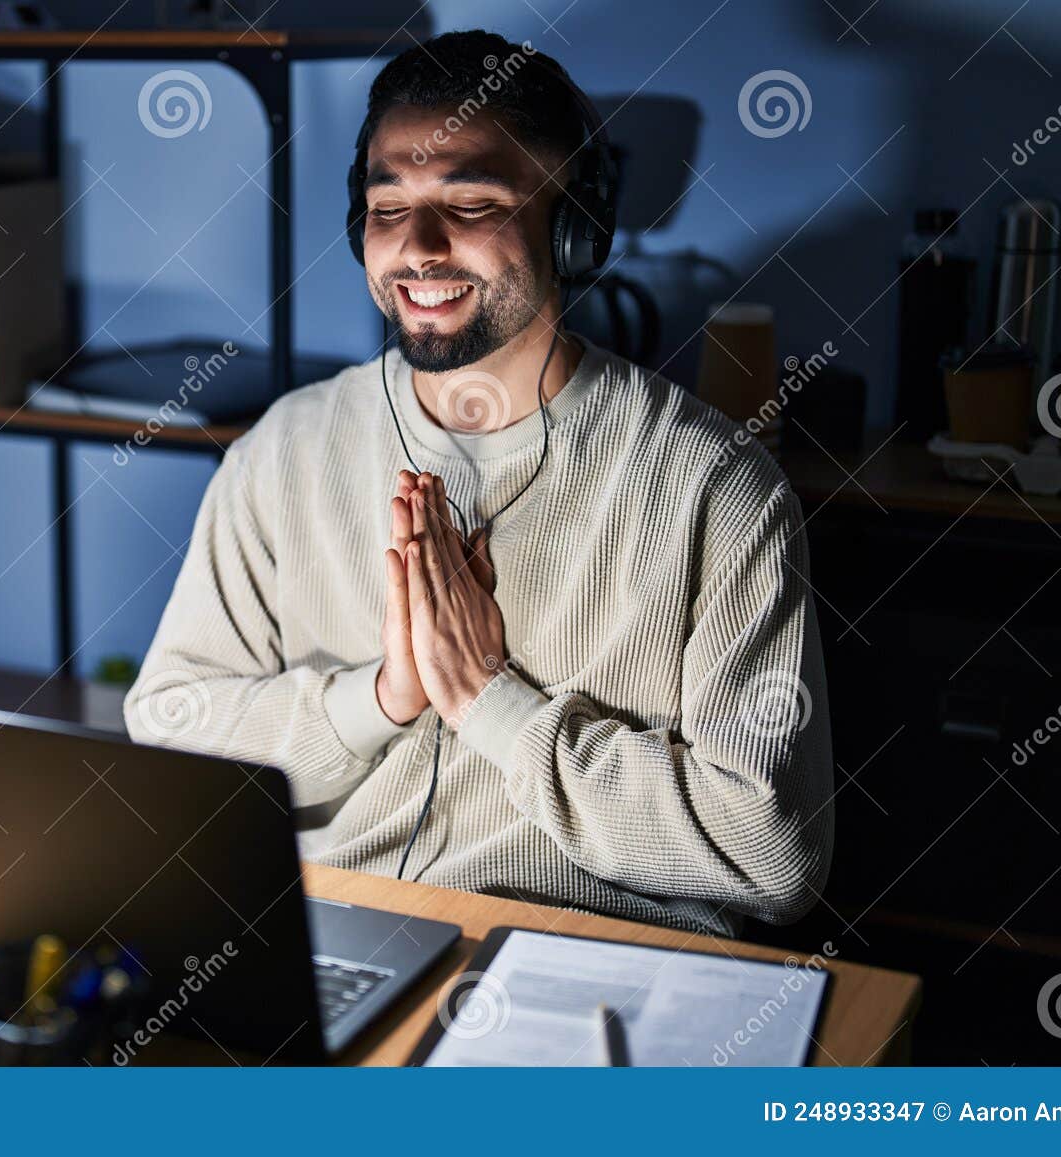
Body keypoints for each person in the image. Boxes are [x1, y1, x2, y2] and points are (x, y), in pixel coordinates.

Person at [125, 30, 833, 936]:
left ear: (572, 227)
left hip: (584, 958)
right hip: (330, 938)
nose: (419, 247)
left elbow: (774, 853)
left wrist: (490, 702)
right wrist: (383, 696)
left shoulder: (718, 490)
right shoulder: (280, 450)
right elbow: (170, 729)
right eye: (388, 209)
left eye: (470, 202)